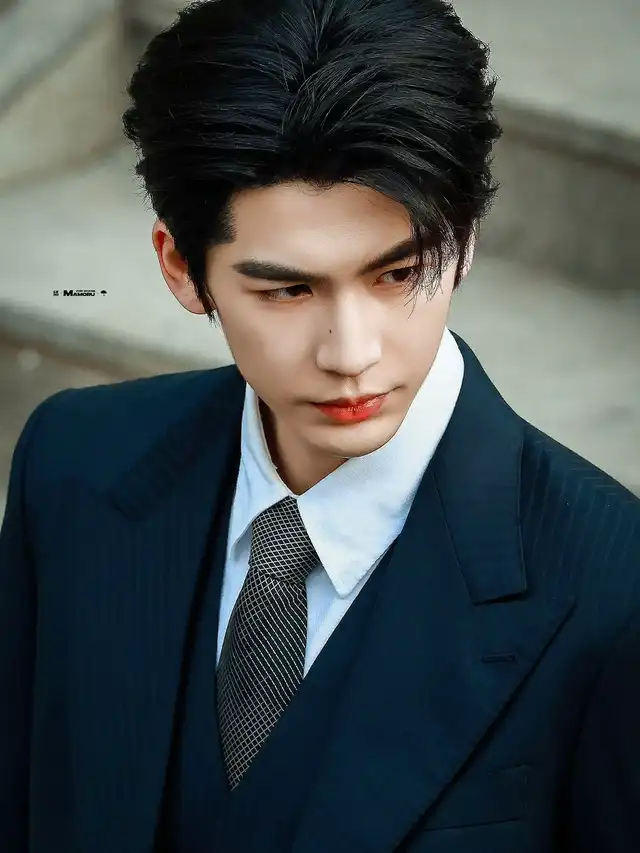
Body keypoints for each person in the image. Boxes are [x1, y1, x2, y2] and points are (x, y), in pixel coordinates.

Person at [1, 0, 639, 850]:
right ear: (181, 268)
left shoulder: (612, 585)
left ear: (465, 240)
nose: (351, 352)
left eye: (399, 274)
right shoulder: (72, 465)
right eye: (288, 290)